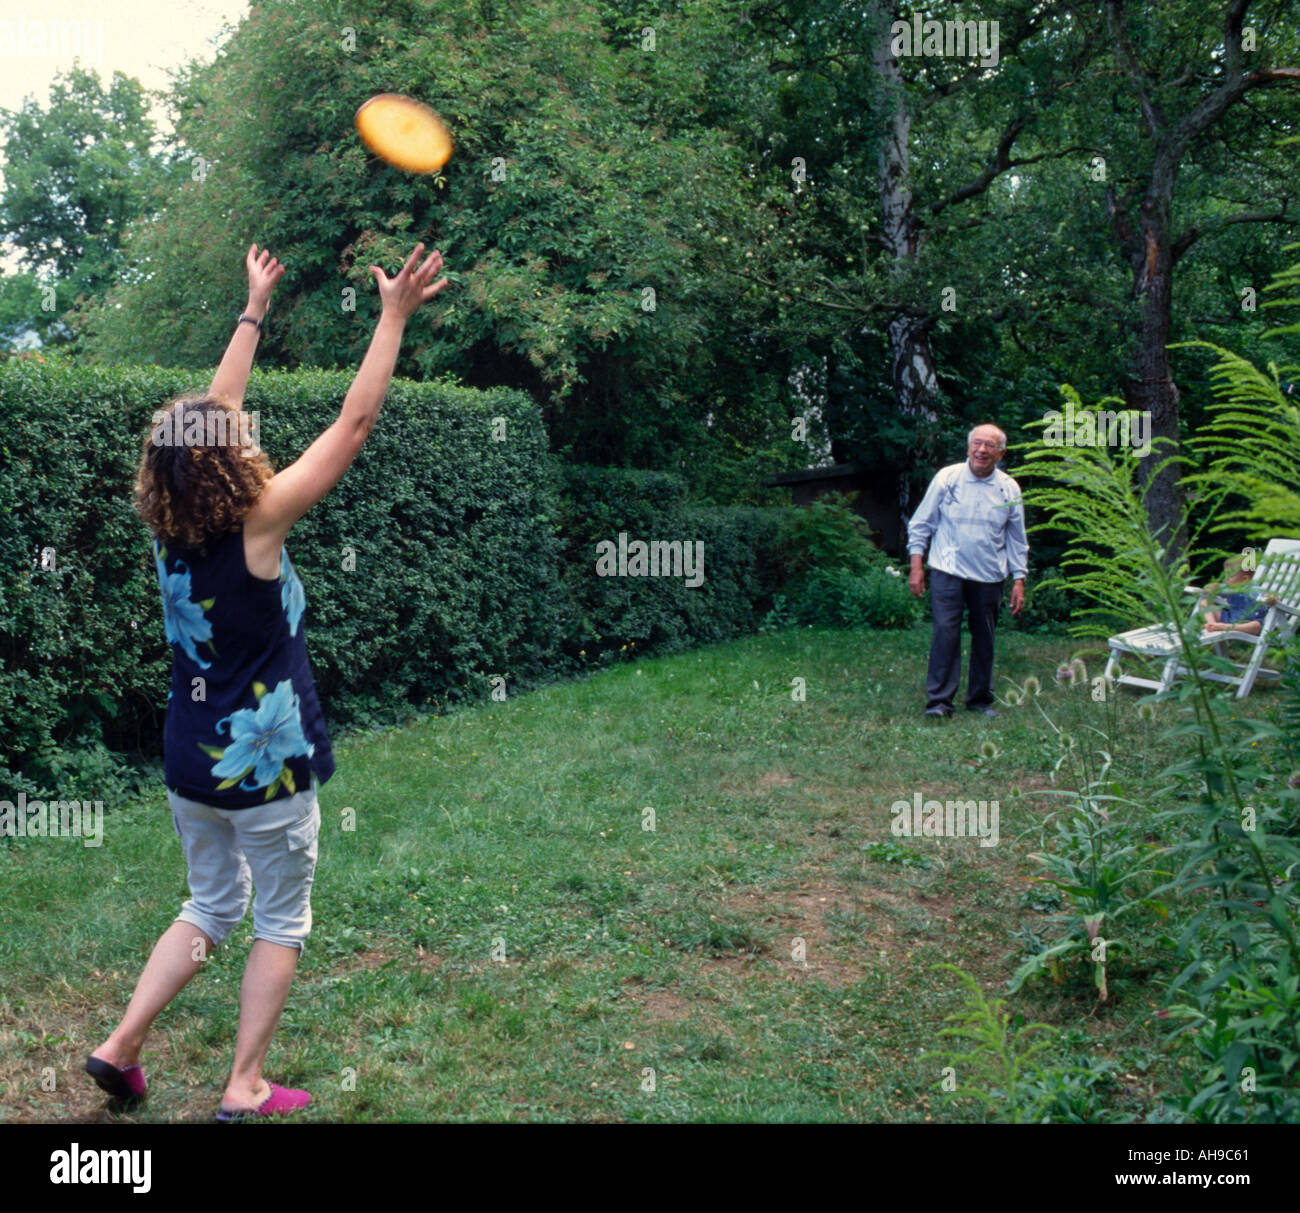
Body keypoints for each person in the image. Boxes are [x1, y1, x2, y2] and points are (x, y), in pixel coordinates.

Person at [85, 241, 449, 1121]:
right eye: (233, 433)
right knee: (279, 919)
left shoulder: (170, 530)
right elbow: (352, 429)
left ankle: (119, 1046)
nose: (240, 425)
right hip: (263, 764)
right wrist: (393, 317)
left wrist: (254, 310)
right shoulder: (259, 523)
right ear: (222, 464)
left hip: (188, 760)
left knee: (209, 902)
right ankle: (244, 1086)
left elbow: (217, 412)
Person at [906, 424, 1028, 718]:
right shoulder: (947, 479)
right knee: (945, 633)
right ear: (968, 446)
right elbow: (921, 524)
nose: (981, 450)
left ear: (1001, 453)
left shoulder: (1009, 488)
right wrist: (916, 567)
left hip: (989, 575)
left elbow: (1016, 537)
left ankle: (979, 700)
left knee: (984, 636)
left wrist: (1019, 578)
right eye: (977, 443)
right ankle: (939, 702)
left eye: (989, 445)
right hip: (947, 570)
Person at [1202, 554, 1268, 636]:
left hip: (1246, 624)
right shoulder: (1228, 587)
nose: (1225, 579)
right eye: (1225, 575)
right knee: (1205, 602)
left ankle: (1222, 627)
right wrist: (1211, 587)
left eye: (1230, 576)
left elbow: (1266, 598)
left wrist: (1270, 599)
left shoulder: (1253, 589)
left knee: (1256, 625)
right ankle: (1212, 624)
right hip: (1228, 618)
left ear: (1245, 579)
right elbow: (1209, 588)